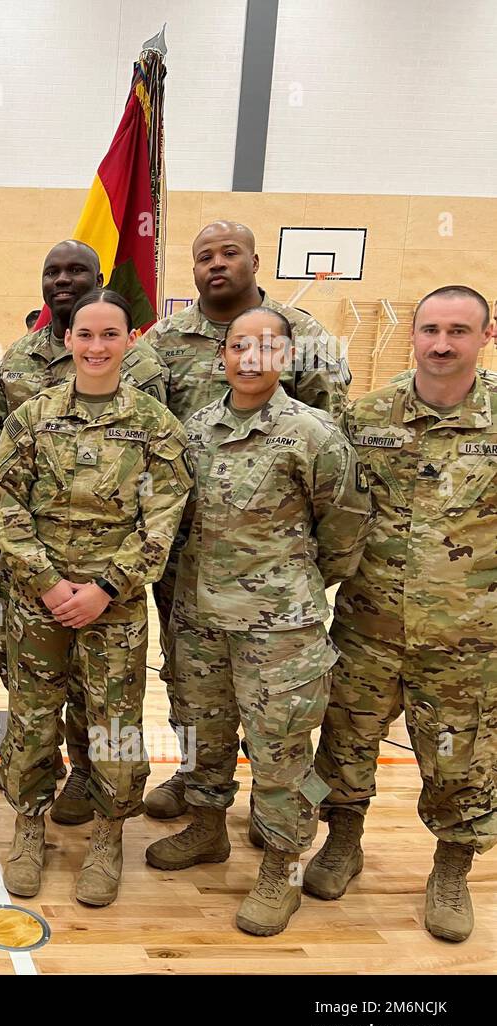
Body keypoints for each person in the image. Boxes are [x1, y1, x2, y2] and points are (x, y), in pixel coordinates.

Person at [144, 307, 371, 936]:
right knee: (200, 735)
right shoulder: (194, 431)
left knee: (281, 755)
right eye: (239, 346)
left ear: (287, 357)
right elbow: (176, 521)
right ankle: (208, 827)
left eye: (266, 347)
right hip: (198, 622)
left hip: (281, 630)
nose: (250, 358)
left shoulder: (314, 435)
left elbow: (344, 527)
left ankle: (280, 869)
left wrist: (293, 582)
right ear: (223, 355)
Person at [131, 220, 352, 820]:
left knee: (275, 701)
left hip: (273, 562)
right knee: (193, 678)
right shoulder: (165, 339)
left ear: (256, 260)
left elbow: (334, 471)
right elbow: (146, 430)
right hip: (186, 553)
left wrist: (293, 562)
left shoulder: (301, 335)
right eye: (205, 256)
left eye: (231, 253)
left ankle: (276, 809)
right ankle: (198, 775)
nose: (217, 264)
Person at [306, 286, 497, 943]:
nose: (442, 343)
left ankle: (450, 867)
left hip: (464, 641)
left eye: (459, 331)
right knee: (347, 743)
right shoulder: (370, 416)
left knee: (456, 758)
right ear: (413, 335)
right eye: (431, 329)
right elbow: (337, 511)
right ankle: (344, 841)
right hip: (368, 628)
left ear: (485, 336)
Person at [0, 289, 191, 904]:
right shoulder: (33, 418)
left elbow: (163, 520)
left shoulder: (155, 425)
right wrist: (50, 584)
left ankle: (109, 834)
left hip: (117, 609)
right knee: (31, 718)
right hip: (39, 602)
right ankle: (30, 826)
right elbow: (10, 505)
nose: (97, 346)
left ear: (131, 341)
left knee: (115, 726)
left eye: (110, 335)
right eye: (86, 335)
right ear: (68, 340)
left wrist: (106, 588)